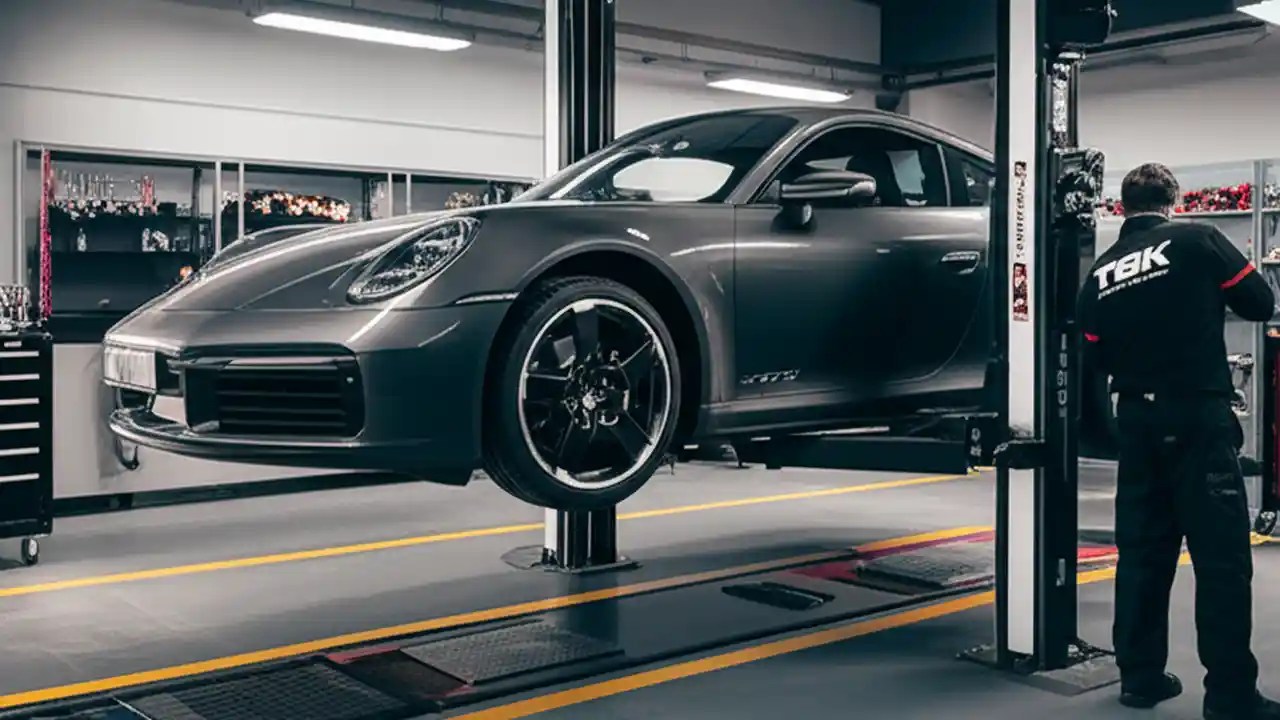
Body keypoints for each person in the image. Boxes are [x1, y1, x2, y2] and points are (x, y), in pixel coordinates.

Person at [1078, 162, 1278, 719]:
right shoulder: (1197, 239)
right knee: (1221, 560)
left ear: (1123, 206)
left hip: (1135, 424)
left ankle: (1140, 679)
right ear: (1173, 200)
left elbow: (1093, 353)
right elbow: (1259, 303)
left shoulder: (1101, 270)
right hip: (1197, 419)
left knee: (1142, 555)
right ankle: (1231, 696)